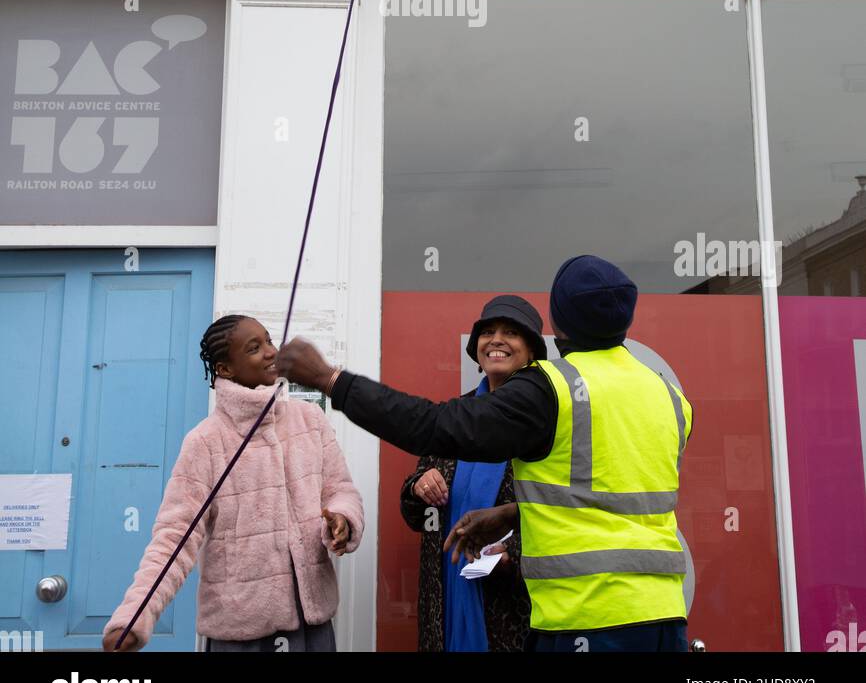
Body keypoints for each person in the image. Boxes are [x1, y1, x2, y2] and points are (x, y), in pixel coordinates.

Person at [277, 256, 693, 653]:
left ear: (557, 325)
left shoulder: (552, 388)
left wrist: (330, 379)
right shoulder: (669, 396)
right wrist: (512, 514)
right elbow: (605, 493)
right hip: (663, 615)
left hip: (586, 616)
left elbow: (431, 426)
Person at [103, 314, 364, 653]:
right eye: (254, 348)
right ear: (225, 369)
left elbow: (340, 490)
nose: (270, 352)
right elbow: (174, 539)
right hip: (240, 637)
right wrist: (134, 616)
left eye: (269, 341)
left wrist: (342, 519)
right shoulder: (205, 442)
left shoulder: (310, 420)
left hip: (312, 629)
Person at [401, 296, 543, 652]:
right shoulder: (455, 416)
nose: (496, 339)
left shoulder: (546, 424)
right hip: (445, 601)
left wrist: (510, 551)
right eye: (488, 332)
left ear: (531, 353)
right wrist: (418, 486)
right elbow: (417, 516)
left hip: (511, 606)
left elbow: (563, 511)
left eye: (511, 332)